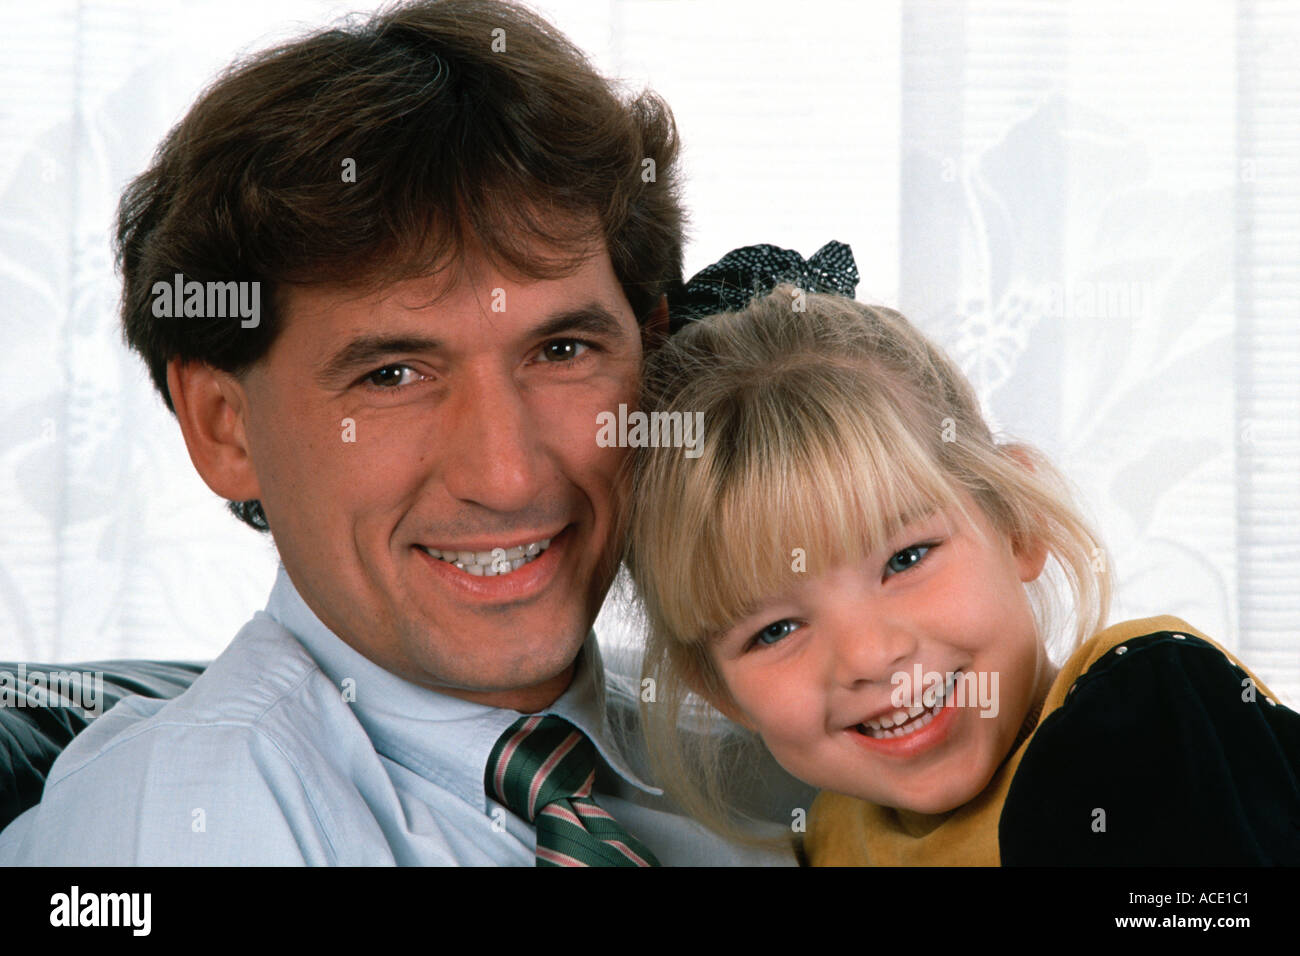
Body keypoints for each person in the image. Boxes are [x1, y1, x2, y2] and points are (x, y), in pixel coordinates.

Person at [0, 1, 811, 866]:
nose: (505, 476)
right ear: (224, 428)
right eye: (391, 375)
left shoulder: (788, 766)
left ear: (652, 357)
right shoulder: (176, 810)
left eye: (562, 350)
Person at [625, 245, 1300, 865]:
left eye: (906, 559)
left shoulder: (1147, 718)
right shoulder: (832, 835)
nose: (869, 656)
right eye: (776, 629)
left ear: (1017, 521)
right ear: (716, 688)